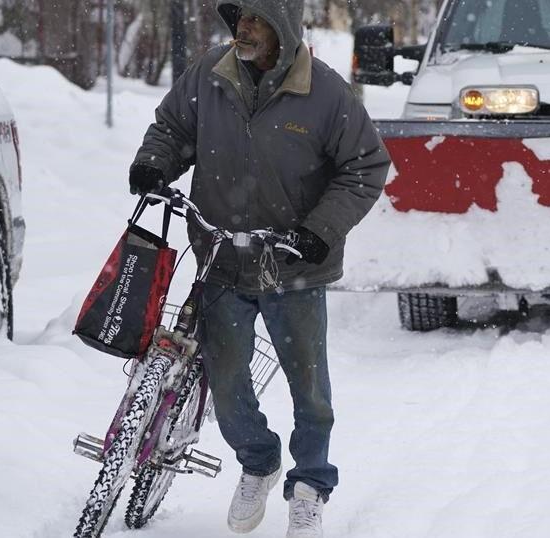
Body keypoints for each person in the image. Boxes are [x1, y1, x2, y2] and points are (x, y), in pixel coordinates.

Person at [127, 1, 390, 536]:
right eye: (239, 17)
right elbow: (174, 127)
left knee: (308, 387)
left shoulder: (326, 93)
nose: (241, 28)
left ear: (284, 29)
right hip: (221, 258)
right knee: (226, 383)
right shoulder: (211, 72)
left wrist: (318, 230)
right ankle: (259, 461)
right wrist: (155, 161)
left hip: (290, 265)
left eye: (255, 19)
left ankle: (312, 483)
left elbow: (365, 167)